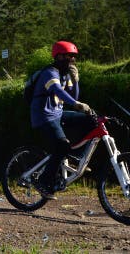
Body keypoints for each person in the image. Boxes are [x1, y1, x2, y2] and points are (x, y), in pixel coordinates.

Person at [29, 40, 94, 199]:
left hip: (58, 113)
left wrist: (75, 80)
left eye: (73, 56)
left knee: (92, 120)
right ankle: (43, 182)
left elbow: (73, 96)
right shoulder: (50, 72)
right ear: (59, 57)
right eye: (69, 56)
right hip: (44, 116)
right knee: (62, 145)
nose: (73, 59)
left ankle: (75, 159)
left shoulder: (66, 75)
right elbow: (57, 90)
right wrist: (77, 104)